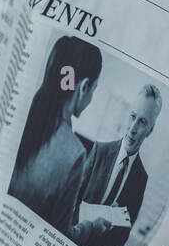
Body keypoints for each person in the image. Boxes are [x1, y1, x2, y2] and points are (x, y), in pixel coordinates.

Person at [7, 36, 103, 235]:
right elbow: (58, 235)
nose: (91, 97)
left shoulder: (17, 113)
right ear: (84, 87)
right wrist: (90, 227)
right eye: (94, 89)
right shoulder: (74, 153)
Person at [68, 85, 160, 246]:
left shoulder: (141, 179)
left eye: (142, 122)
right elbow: (70, 205)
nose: (133, 128)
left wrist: (110, 229)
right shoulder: (99, 152)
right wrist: (89, 225)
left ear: (150, 130)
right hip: (71, 241)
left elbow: (119, 244)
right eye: (133, 117)